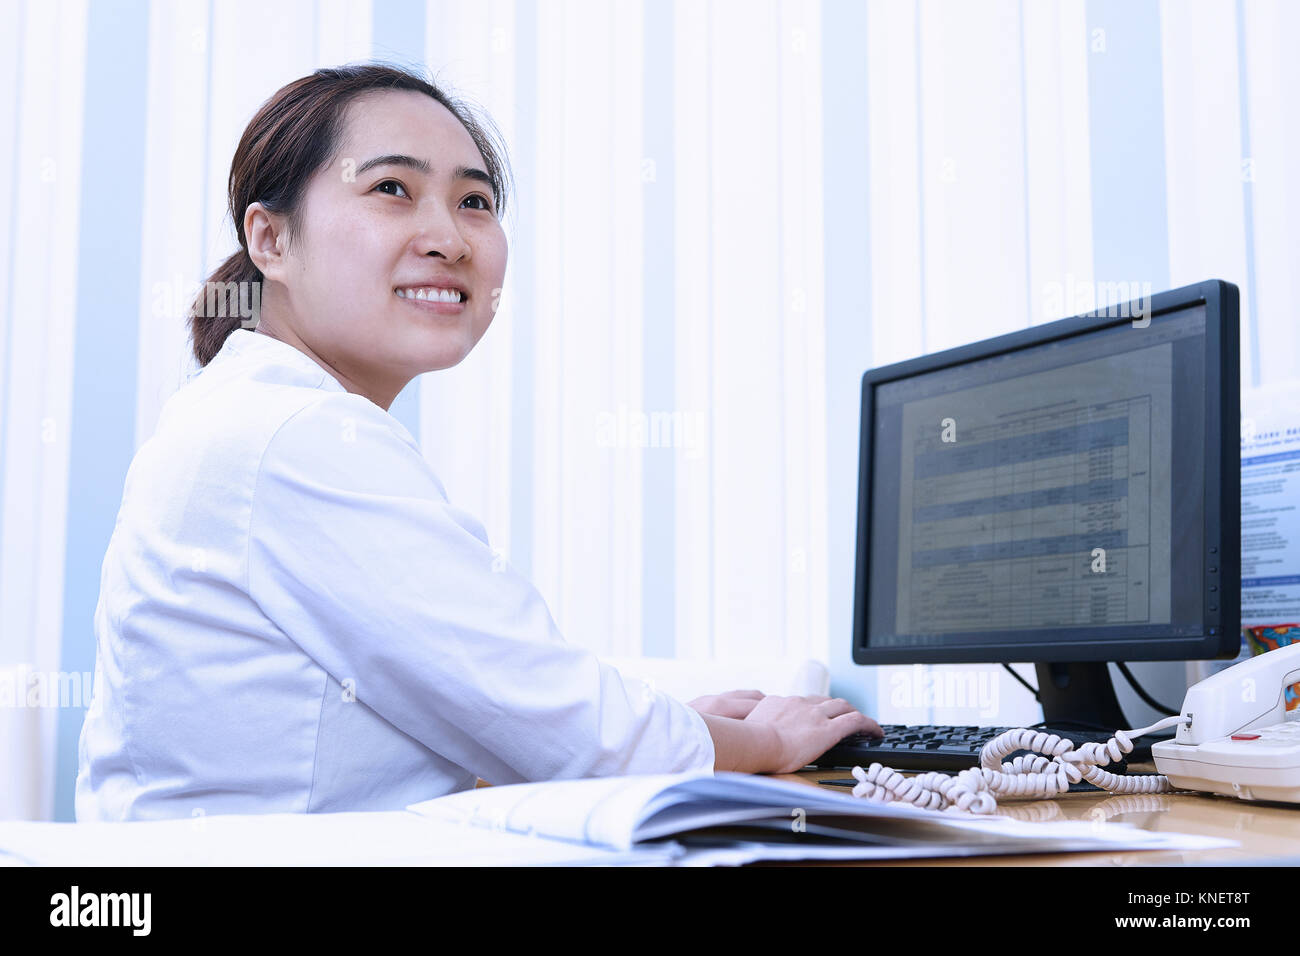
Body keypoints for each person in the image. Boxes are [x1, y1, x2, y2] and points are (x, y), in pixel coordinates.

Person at [75, 63, 880, 822]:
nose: (451, 239)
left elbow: (484, 714)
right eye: (393, 188)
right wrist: (768, 742)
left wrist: (680, 723)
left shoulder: (253, 413)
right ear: (272, 241)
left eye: (475, 201)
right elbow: (568, 729)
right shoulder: (295, 433)